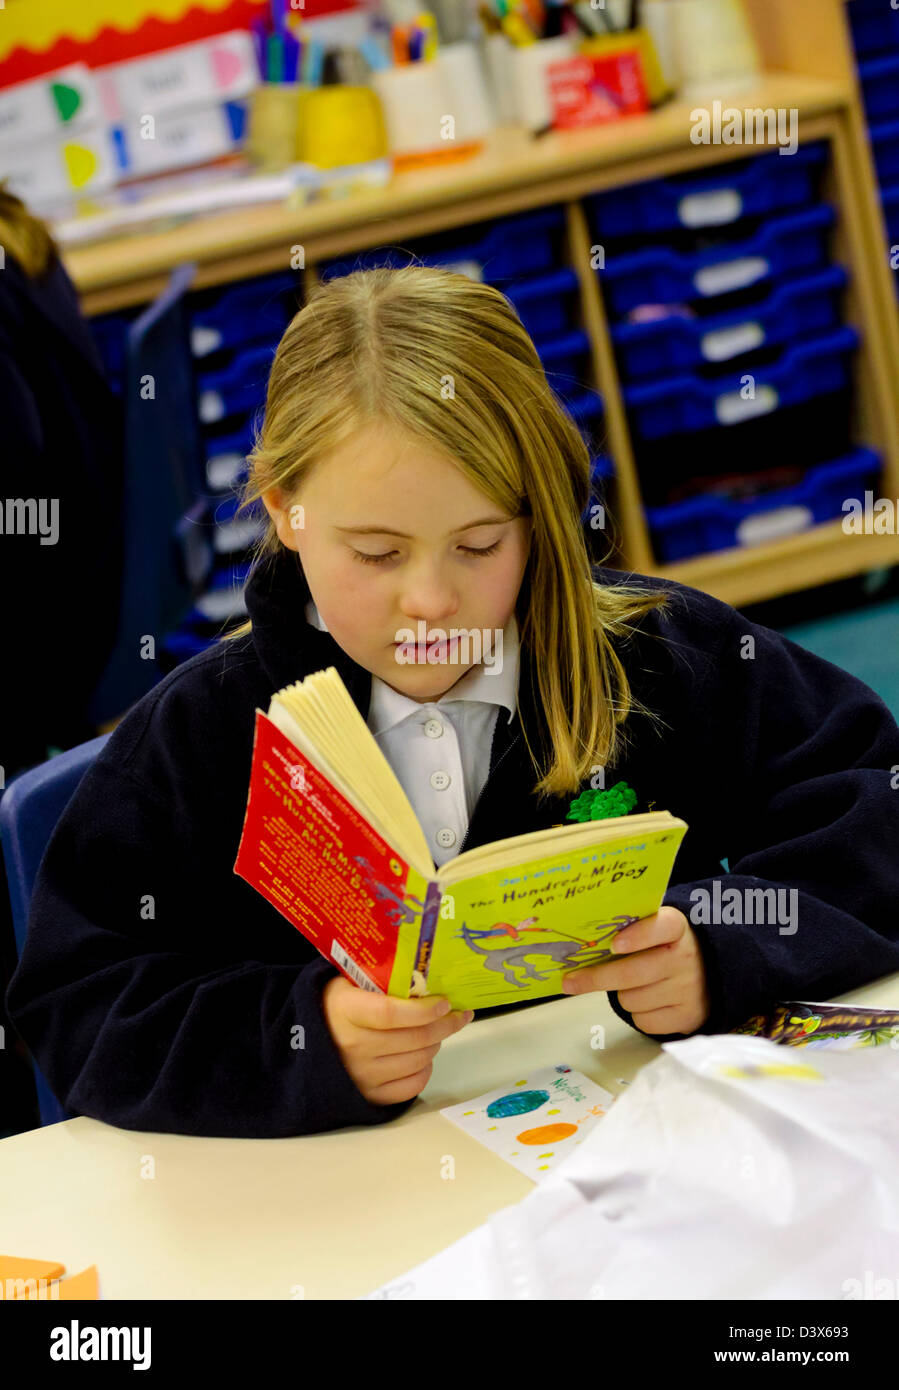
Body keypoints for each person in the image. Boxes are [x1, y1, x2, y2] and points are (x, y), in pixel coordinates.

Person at [6, 266, 899, 1139]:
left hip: (643, 1165)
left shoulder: (659, 658)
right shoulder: (200, 737)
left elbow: (873, 803)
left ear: (537, 512)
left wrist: (725, 950)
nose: (430, 601)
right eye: (377, 554)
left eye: (478, 544)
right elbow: (79, 1000)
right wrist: (301, 1038)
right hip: (353, 1229)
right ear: (286, 512)